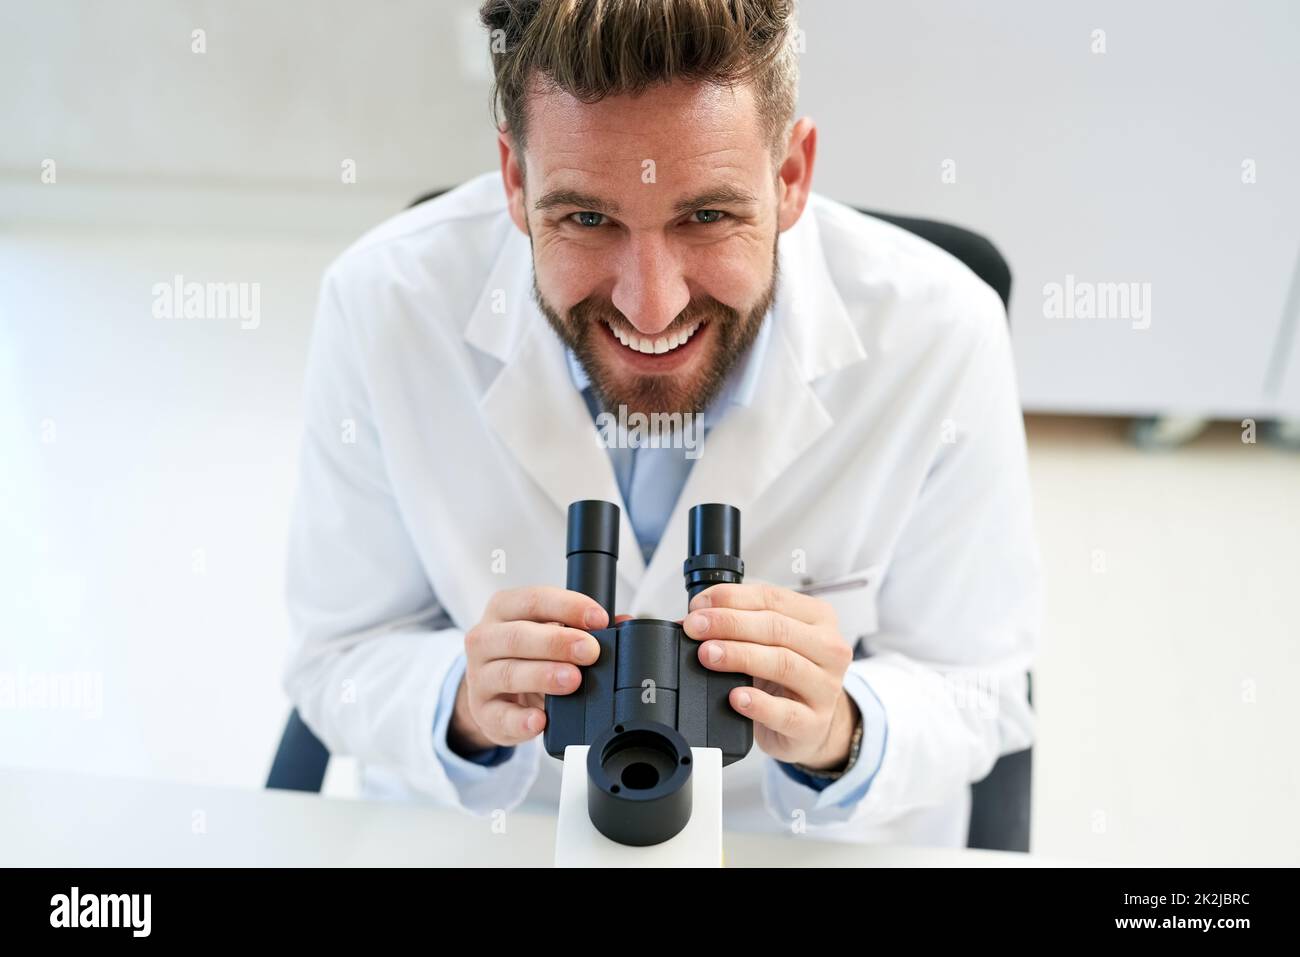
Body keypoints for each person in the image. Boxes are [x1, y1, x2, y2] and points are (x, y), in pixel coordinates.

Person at [283, 0, 1040, 846]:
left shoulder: (939, 331)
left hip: (793, 839)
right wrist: (461, 701)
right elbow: (336, 661)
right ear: (515, 182)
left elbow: (981, 689)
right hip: (495, 830)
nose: (652, 305)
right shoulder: (382, 305)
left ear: (790, 175)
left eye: (706, 216)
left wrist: (842, 732)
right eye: (588, 219)